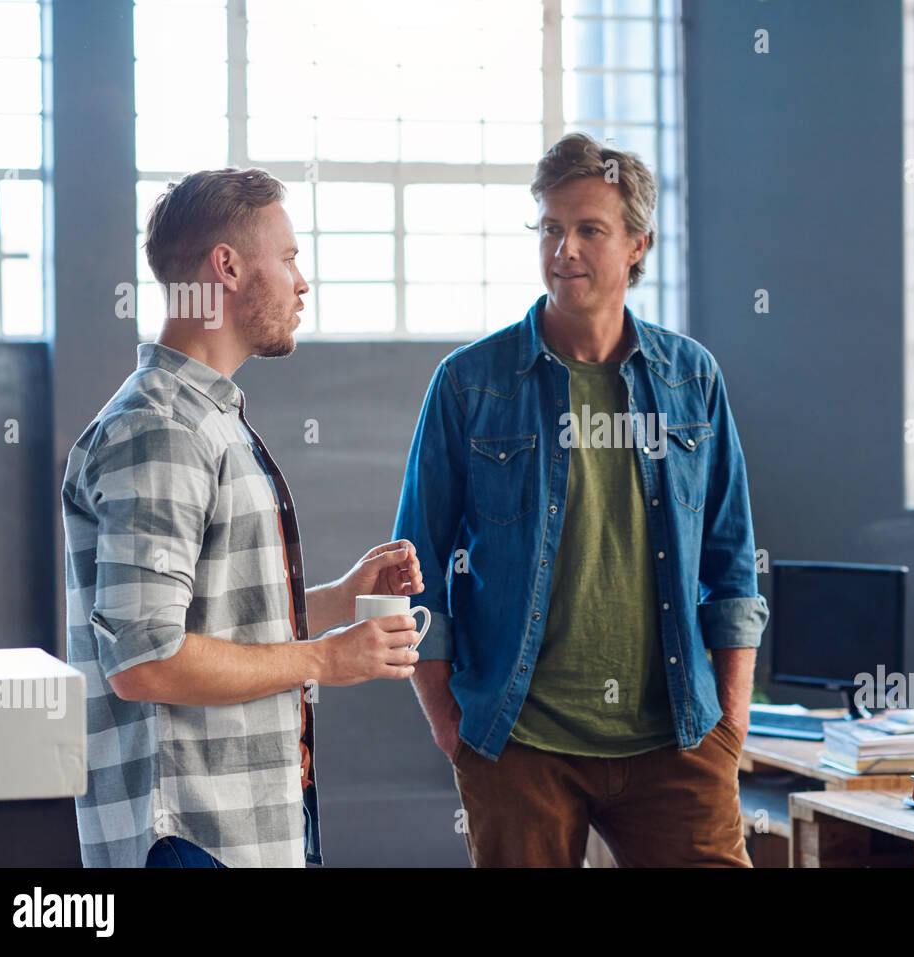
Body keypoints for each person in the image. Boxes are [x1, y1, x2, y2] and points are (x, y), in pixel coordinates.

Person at [393, 132, 768, 867]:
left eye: (589, 230)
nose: (564, 249)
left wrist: (730, 717)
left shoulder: (692, 377)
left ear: (637, 243)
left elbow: (732, 559)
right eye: (550, 228)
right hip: (519, 739)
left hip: (677, 736)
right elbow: (415, 567)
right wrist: (450, 721)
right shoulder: (471, 383)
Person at [62, 168, 425, 868]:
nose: (302, 282)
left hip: (247, 832)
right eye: (288, 258)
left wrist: (337, 599)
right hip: (190, 838)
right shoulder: (159, 430)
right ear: (226, 266)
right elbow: (145, 658)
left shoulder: (209, 420)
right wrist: (326, 657)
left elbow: (212, 629)